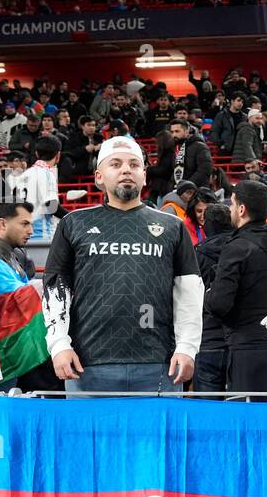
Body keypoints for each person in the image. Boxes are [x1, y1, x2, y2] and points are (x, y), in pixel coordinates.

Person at [42, 135, 202, 395]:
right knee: (89, 436)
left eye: (134, 164)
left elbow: (189, 292)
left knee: (155, 437)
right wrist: (59, 344)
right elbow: (55, 287)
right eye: (115, 164)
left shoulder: (173, 227)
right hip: (87, 361)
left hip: (158, 361)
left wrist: (187, 347)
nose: (126, 169)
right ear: (98, 177)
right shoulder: (73, 223)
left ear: (144, 176)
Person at [206, 180, 267, 397]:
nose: (230, 210)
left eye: (231, 205)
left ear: (241, 209)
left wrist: (208, 295)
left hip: (248, 351)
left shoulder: (237, 248)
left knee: (249, 425)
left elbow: (219, 304)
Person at [0, 200, 61, 392]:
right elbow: (4, 298)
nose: (30, 231)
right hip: (4, 353)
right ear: (2, 224)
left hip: (18, 349)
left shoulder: (12, 254)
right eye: (24, 224)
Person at [191, 203, 236, 394]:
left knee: (207, 410)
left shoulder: (196, 253)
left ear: (205, 225)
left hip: (208, 339)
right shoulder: (244, 249)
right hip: (239, 339)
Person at [148, 119, 212, 198]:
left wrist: (187, 186)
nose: (174, 135)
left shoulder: (200, 146)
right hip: (178, 193)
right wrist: (171, 189)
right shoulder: (176, 148)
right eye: (172, 132)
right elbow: (173, 172)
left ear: (186, 131)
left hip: (196, 194)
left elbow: (205, 170)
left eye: (177, 131)